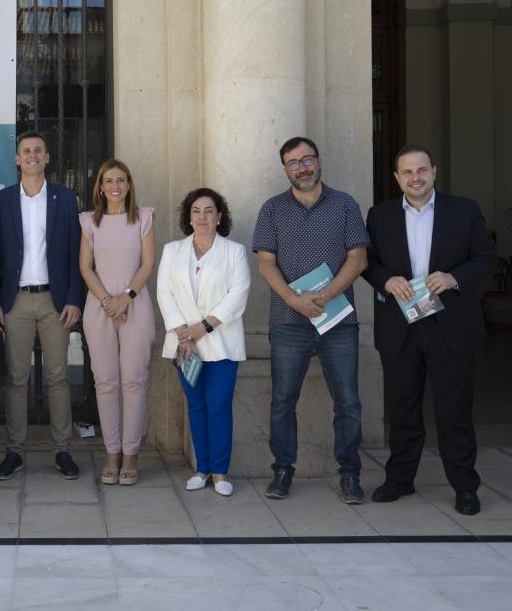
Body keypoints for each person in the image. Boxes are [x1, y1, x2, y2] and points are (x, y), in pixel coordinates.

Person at [361, 145, 496, 515]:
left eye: (422, 170)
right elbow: (367, 263)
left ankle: (465, 487)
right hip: (401, 327)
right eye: (407, 172)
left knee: (454, 410)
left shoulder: (464, 210)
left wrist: (454, 277)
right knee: (403, 408)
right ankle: (400, 480)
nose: (415, 178)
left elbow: (485, 259)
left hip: (451, 326)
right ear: (396, 178)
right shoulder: (380, 215)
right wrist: (386, 280)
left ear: (434, 172)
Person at [252, 136, 369, 503]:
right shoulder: (272, 209)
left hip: (338, 322)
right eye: (293, 162)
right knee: (283, 401)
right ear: (284, 168)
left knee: (348, 402)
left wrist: (326, 295)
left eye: (307, 160)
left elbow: (358, 258)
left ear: (319, 161)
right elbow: (266, 263)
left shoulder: (345, 204)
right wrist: (293, 299)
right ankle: (283, 470)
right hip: (288, 322)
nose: (302, 167)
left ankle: (350, 474)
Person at [0, 131, 85, 481]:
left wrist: (74, 298)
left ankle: (63, 450)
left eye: (38, 151)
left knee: (58, 377)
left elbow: (76, 255)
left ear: (47, 158)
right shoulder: (2, 201)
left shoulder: (65, 198)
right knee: (16, 379)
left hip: (54, 301)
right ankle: (14, 451)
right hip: (15, 301)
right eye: (25, 151)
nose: (31, 155)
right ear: (17, 159)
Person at [157, 188, 250, 496]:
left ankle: (221, 472)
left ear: (219, 216)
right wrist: (183, 331)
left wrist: (202, 327)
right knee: (196, 406)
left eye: (209, 211)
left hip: (221, 342)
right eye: (196, 211)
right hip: (185, 345)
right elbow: (164, 293)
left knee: (219, 406)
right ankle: (202, 468)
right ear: (189, 217)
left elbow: (238, 296)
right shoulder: (172, 251)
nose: (202, 217)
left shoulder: (234, 252)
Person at [78, 159, 155, 486]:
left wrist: (127, 297)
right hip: (99, 305)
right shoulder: (88, 221)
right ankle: (111, 452)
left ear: (128, 184)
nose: (114, 186)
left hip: (134, 303)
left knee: (134, 380)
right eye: (108, 180)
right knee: (105, 381)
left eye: (121, 180)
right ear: (100, 185)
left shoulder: (144, 218)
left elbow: (148, 262)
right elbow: (85, 267)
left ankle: (131, 453)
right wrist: (108, 301)